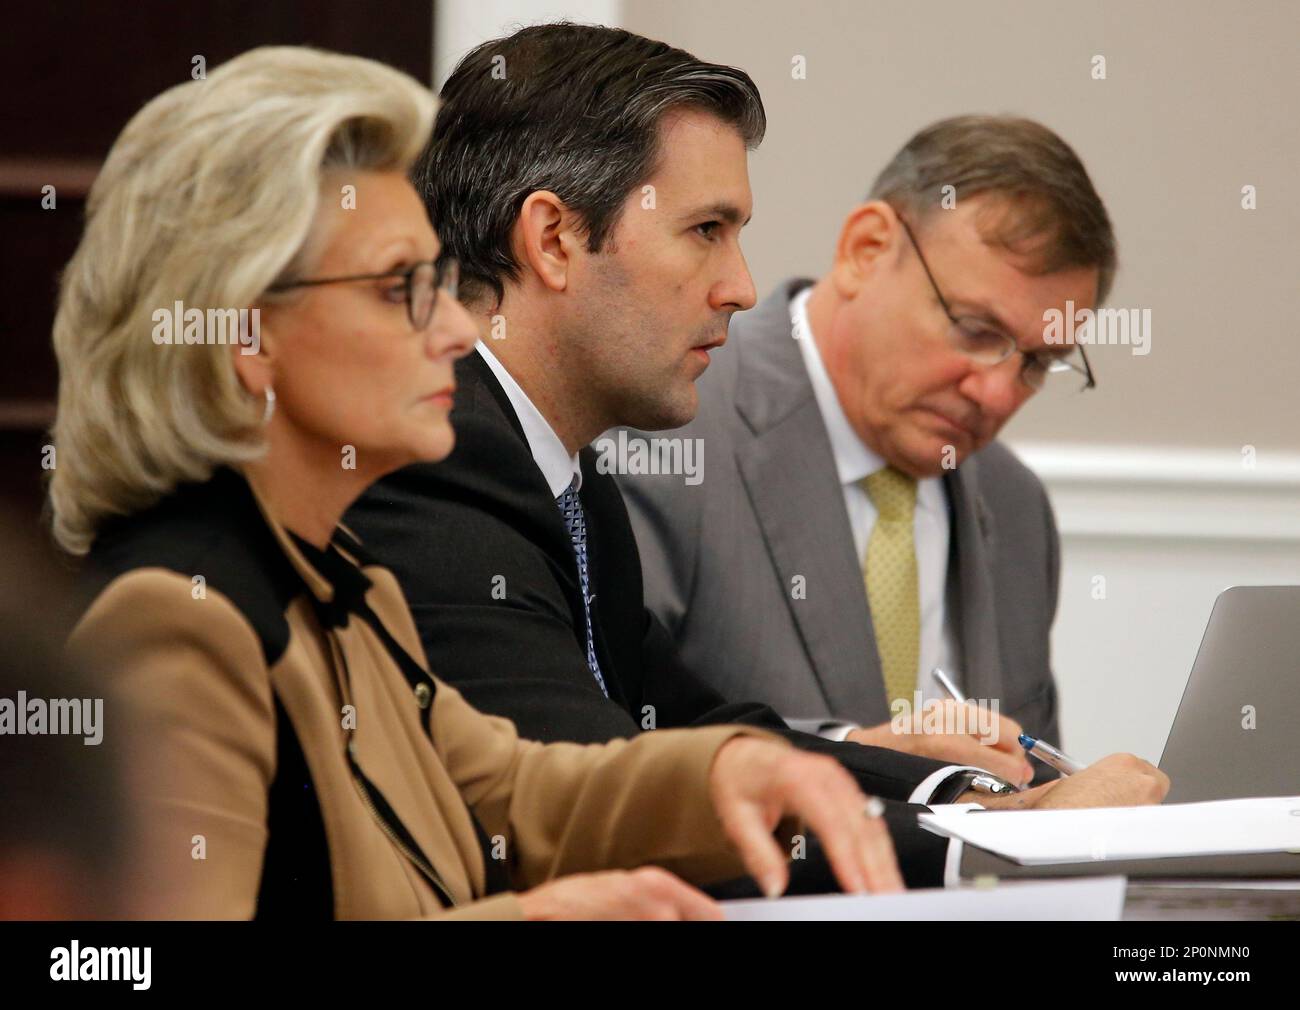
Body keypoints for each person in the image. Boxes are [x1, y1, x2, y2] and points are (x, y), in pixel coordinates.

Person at [48, 45, 903, 920]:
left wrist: (731, 769)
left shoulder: (344, 584)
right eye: (398, 288)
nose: (458, 326)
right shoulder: (181, 618)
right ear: (249, 335)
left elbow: (519, 790)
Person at [346, 24, 1168, 893]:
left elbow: (702, 734)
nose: (740, 284)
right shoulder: (438, 461)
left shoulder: (566, 474)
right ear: (553, 240)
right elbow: (605, 784)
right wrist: (986, 847)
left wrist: (972, 797)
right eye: (706, 229)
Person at [620, 115, 1110, 784]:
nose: (996, 394)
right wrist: (865, 755)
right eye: (974, 330)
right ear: (866, 249)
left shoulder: (1015, 505)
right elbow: (609, 749)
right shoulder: (668, 428)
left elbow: (1033, 779)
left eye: (1038, 361)